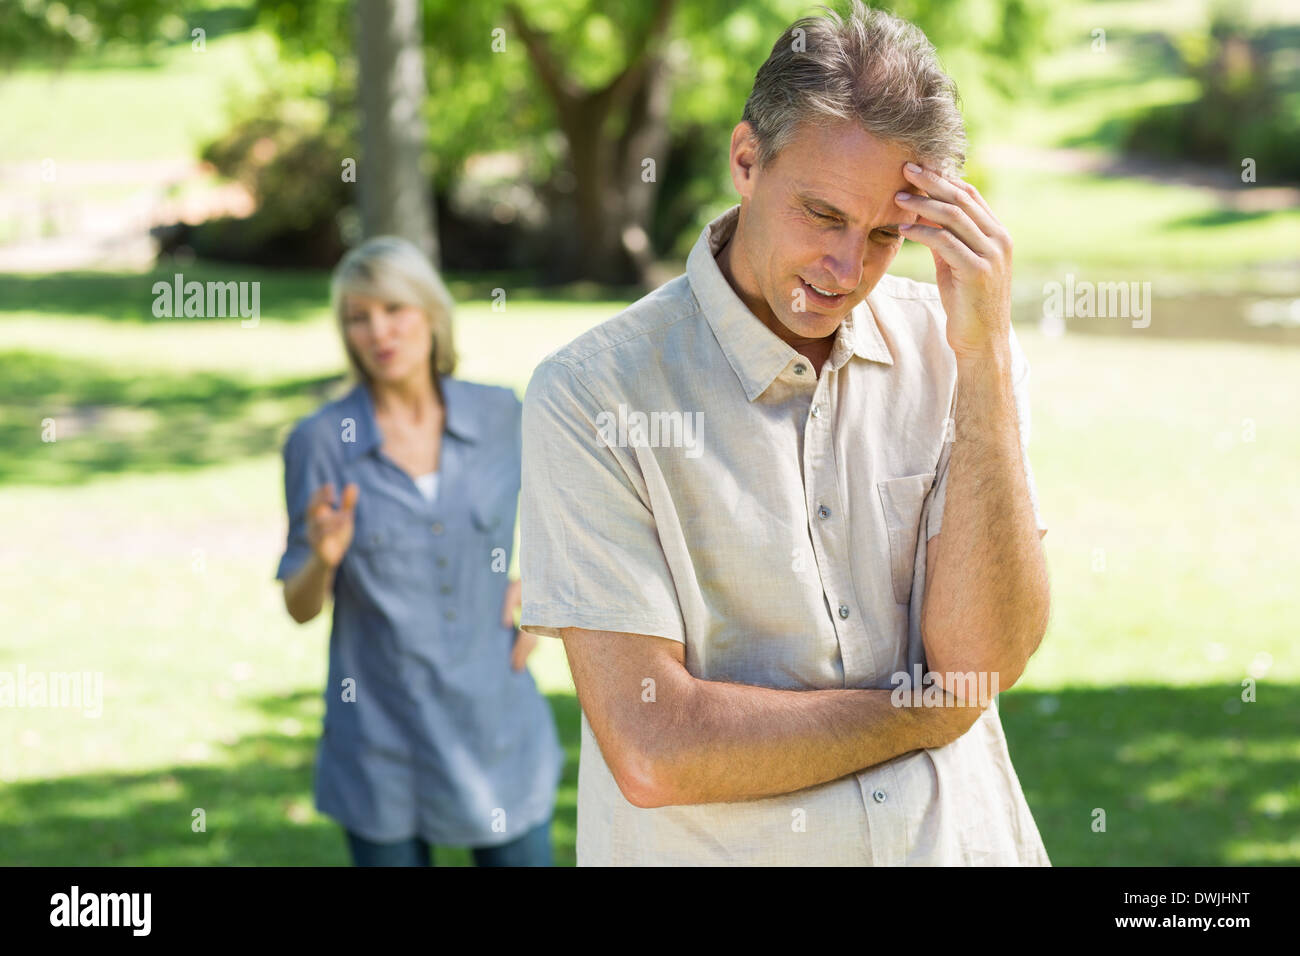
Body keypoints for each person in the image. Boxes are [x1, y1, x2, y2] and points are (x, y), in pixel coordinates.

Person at [518, 1, 1052, 865]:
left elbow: (983, 658)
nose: (847, 270)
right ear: (745, 160)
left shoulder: (958, 357)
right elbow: (656, 746)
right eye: (823, 215)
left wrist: (984, 360)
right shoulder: (593, 396)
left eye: (886, 234)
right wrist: (923, 711)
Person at [275, 235, 563, 866]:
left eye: (394, 310)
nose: (378, 331)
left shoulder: (500, 415)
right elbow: (299, 607)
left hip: (495, 723)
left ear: (431, 313)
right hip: (380, 739)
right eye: (358, 317)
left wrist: (542, 584)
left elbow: (579, 518)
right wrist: (323, 557)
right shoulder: (320, 441)